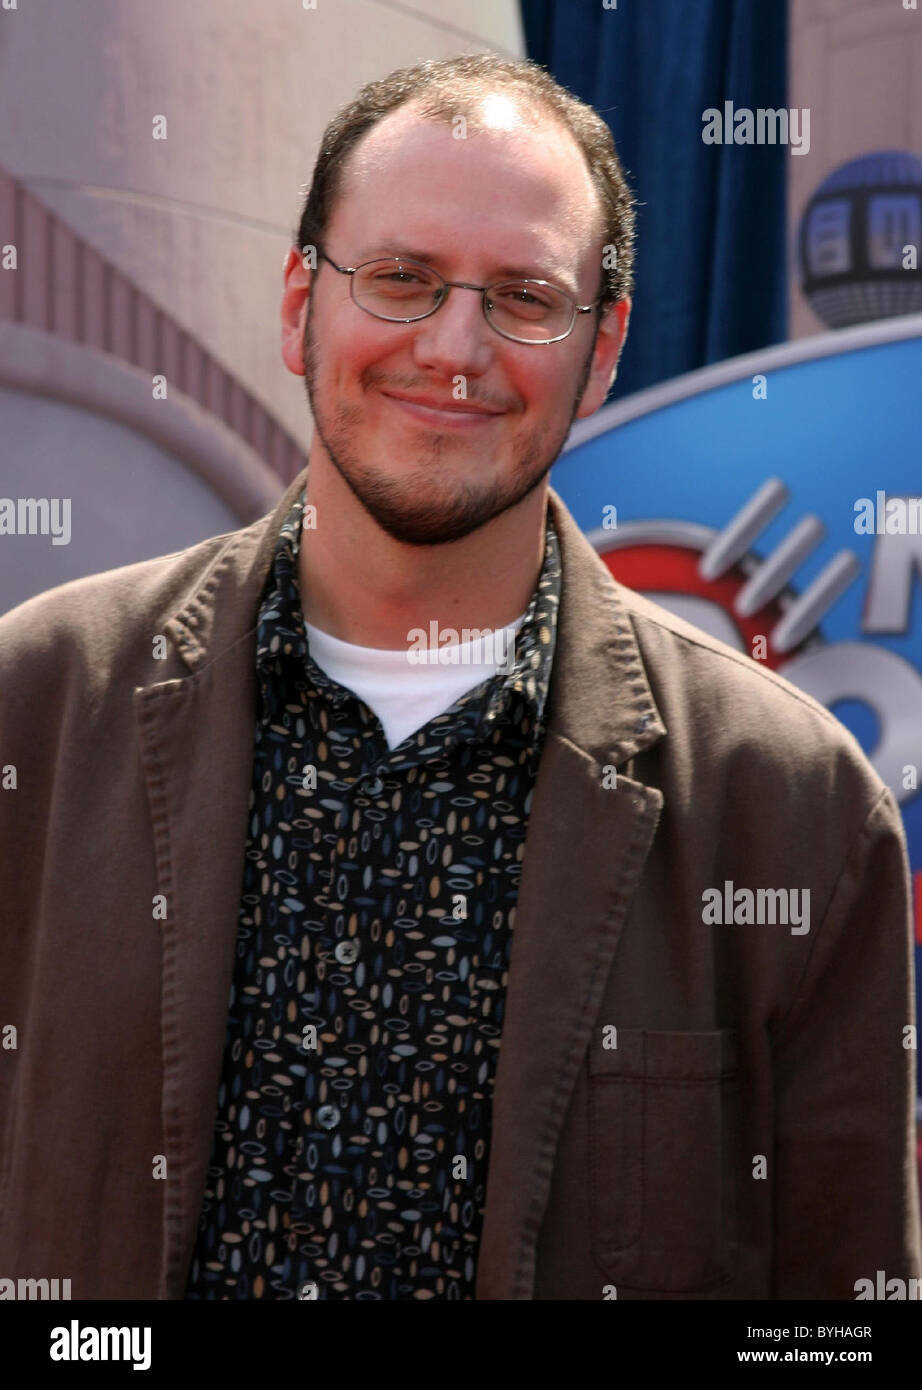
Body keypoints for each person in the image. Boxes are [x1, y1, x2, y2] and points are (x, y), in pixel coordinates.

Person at [0, 53, 919, 1302]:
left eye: (526, 297)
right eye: (400, 279)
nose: (453, 347)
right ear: (299, 302)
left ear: (602, 349)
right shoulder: (40, 708)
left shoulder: (789, 804)